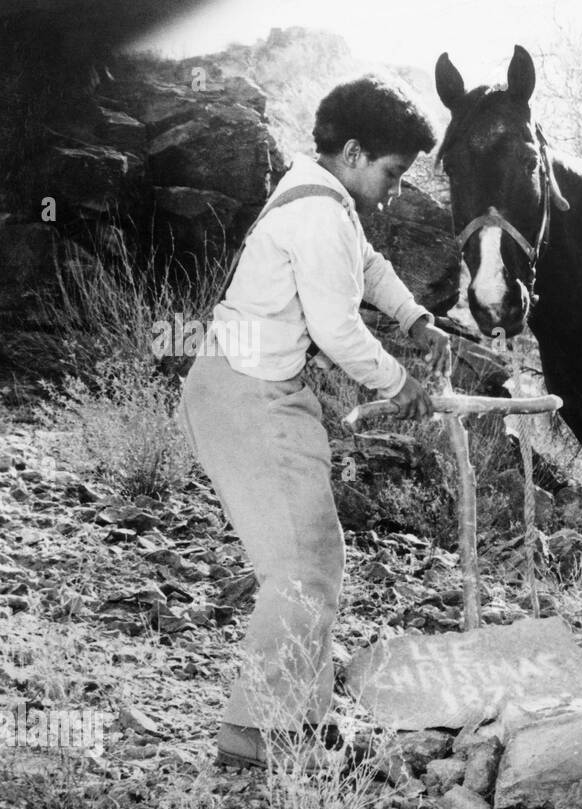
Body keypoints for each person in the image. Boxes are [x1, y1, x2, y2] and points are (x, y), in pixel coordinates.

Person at [179, 76, 452, 769]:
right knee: (303, 566)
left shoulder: (322, 197)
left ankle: (294, 718)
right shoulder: (319, 214)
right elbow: (335, 329)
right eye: (391, 173)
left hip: (254, 388)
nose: (393, 190)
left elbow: (367, 267)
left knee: (314, 561)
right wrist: (401, 383)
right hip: (249, 395)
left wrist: (415, 317)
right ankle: (258, 734)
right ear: (356, 152)